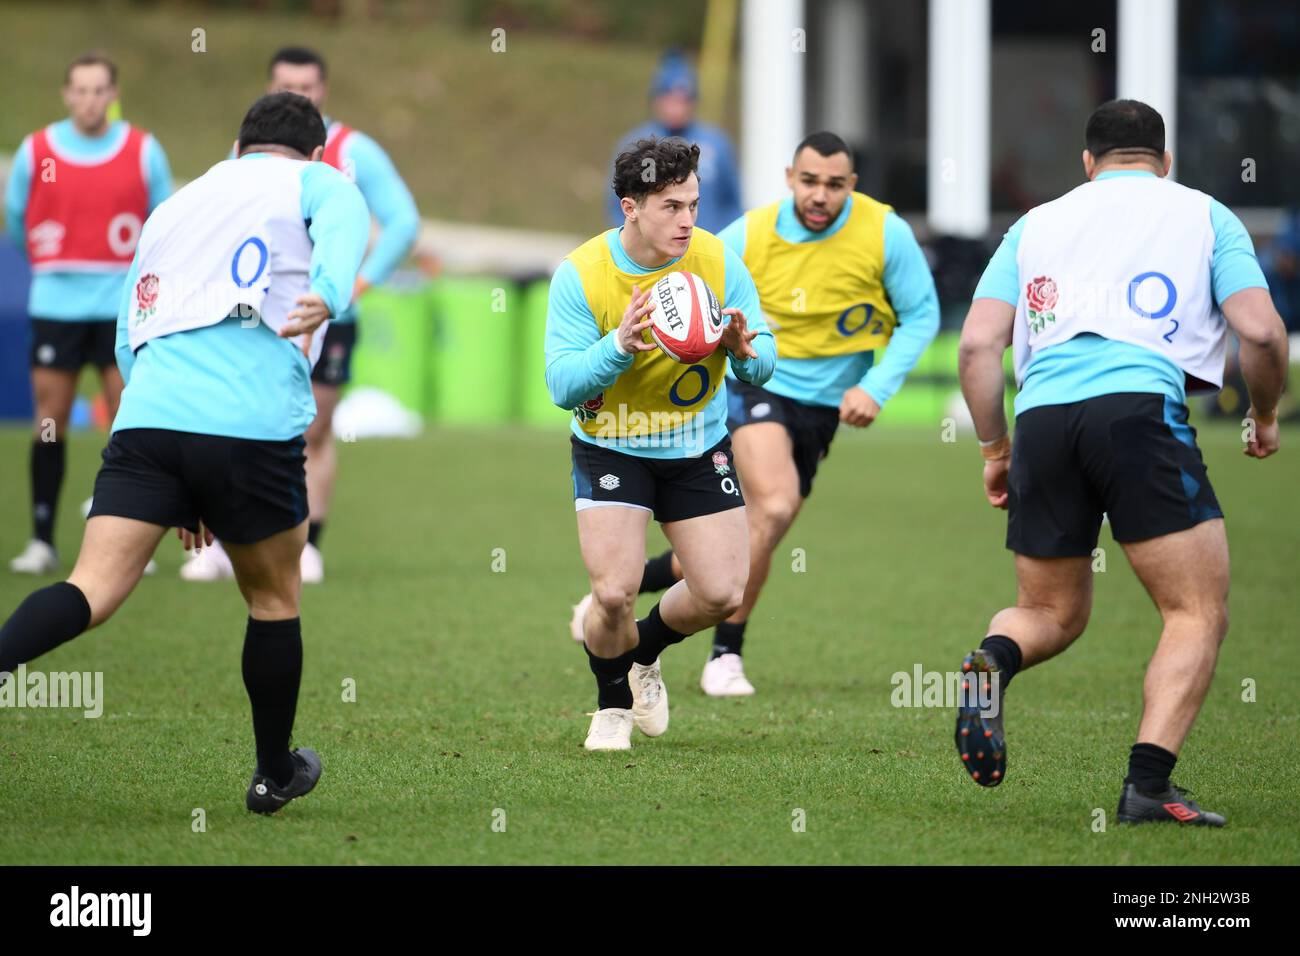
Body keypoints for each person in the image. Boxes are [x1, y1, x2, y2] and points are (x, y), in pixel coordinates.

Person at [0, 92, 370, 813]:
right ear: (317, 152)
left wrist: (174, 468)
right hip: (249, 424)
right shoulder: (313, 180)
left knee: (90, 589)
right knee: (273, 598)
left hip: (148, 419)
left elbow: (125, 337)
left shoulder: (174, 205)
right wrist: (330, 292)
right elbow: (346, 216)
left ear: (237, 146)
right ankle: (273, 773)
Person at [955, 99, 1288, 826]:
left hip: (1043, 418)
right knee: (1194, 610)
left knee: (1049, 612)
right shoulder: (1204, 214)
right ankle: (1147, 787)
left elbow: (978, 346)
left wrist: (995, 448)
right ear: (1165, 161)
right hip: (1138, 412)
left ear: (1088, 163)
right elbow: (1262, 333)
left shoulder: (1034, 223)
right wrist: (1264, 416)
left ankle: (993, 661)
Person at [618, 131, 940, 696]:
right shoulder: (750, 232)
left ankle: (618, 593)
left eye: (834, 185)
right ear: (790, 178)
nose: (820, 195)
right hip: (755, 383)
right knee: (774, 503)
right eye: (809, 181)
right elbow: (684, 277)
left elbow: (921, 314)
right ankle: (724, 655)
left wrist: (876, 387)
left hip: (825, 408)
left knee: (749, 531)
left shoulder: (885, 231)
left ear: (852, 185)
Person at [548, 136, 776, 751]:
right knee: (612, 594)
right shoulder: (582, 275)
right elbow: (562, 386)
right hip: (612, 446)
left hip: (696, 445)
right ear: (630, 207)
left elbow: (763, 360)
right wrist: (618, 346)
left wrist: (745, 353)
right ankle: (611, 706)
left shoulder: (717, 260)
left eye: (693, 205)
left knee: (722, 594)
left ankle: (643, 652)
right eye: (671, 207)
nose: (687, 220)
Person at [182, 46, 420, 584]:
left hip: (330, 319)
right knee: (238, 420)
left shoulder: (353, 150)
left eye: (307, 86)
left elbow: (404, 222)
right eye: (286, 86)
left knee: (312, 430)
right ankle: (221, 541)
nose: (297, 95)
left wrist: (354, 285)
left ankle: (306, 544)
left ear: (324, 90)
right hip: (255, 311)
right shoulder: (246, 152)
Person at [5, 52, 172, 574]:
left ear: (113, 94)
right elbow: (17, 219)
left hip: (123, 307)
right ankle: (41, 538)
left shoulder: (142, 151)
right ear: (66, 94)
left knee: (126, 420)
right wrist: (56, 267)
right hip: (56, 306)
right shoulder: (38, 151)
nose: (89, 101)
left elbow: (166, 220)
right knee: (49, 419)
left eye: (99, 90)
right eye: (80, 90)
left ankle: (128, 541)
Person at [606, 50, 742, 235]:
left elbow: (732, 203)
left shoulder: (716, 144)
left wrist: (723, 240)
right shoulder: (639, 146)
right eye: (670, 100)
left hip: (706, 244)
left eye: (683, 101)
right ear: (656, 101)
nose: (677, 108)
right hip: (654, 247)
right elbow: (619, 203)